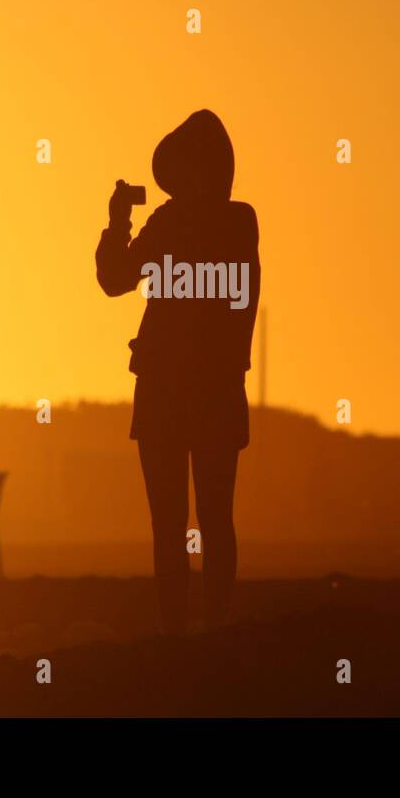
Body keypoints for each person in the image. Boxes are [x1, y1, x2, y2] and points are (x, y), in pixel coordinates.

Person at [95, 109, 260, 635]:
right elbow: (118, 279)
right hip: (179, 392)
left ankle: (209, 626)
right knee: (174, 522)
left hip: (195, 392)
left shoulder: (229, 220)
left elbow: (117, 278)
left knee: (208, 517)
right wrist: (120, 223)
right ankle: (182, 630)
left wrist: (123, 223)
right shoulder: (179, 222)